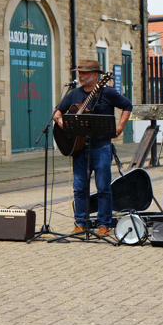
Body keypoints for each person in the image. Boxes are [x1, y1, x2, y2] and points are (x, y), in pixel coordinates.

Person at [54, 59, 132, 237]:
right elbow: (57, 111)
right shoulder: (74, 94)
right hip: (79, 148)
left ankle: (104, 224)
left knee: (103, 187)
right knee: (79, 187)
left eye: (85, 73)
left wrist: (119, 128)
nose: (80, 76)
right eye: (79, 73)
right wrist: (61, 122)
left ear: (97, 75)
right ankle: (80, 223)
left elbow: (127, 106)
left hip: (101, 146)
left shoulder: (108, 92)